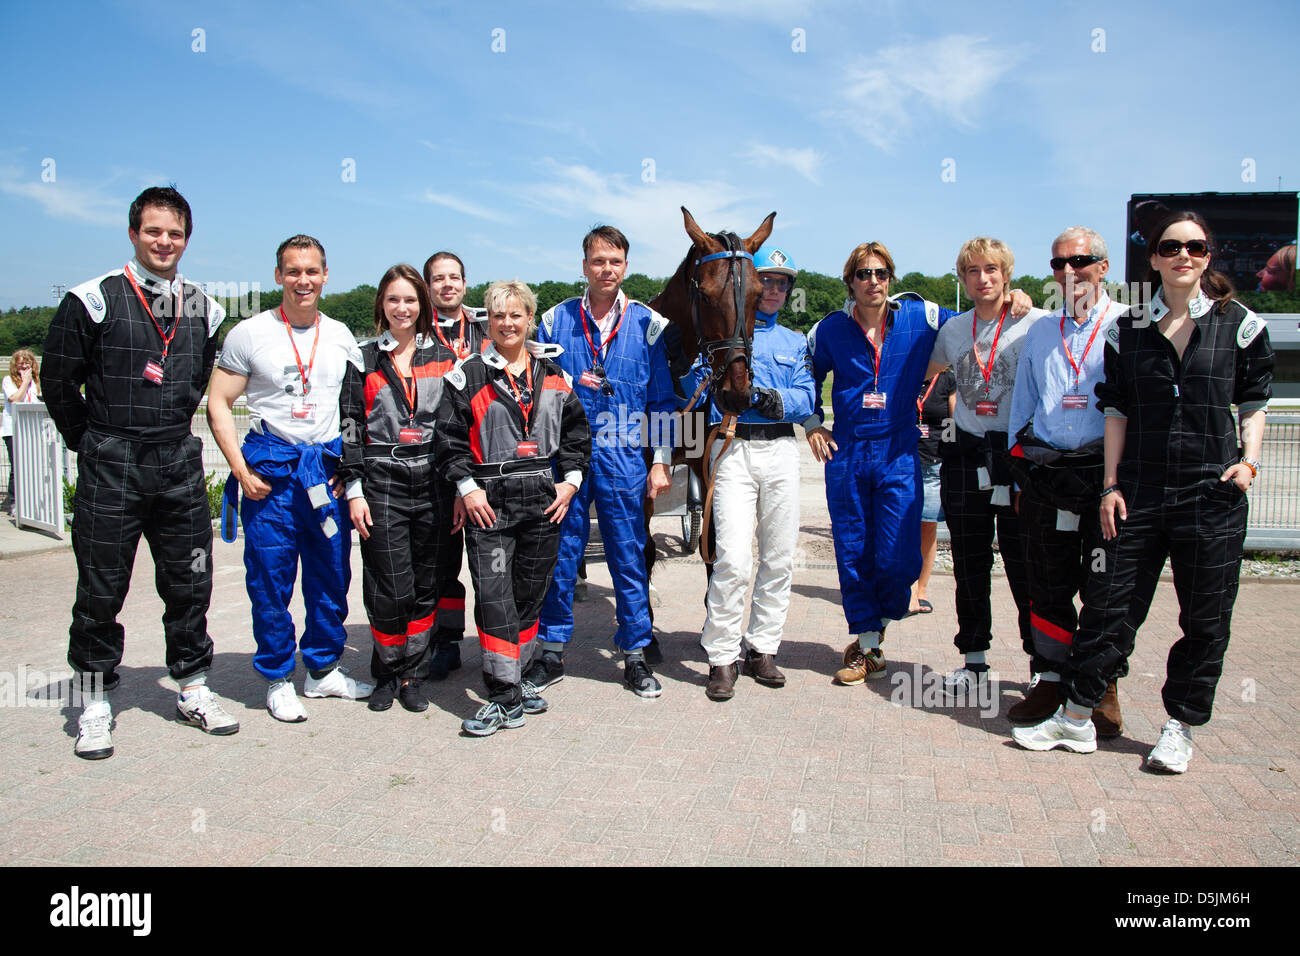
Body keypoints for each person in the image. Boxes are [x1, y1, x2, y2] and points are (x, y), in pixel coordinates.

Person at [1013, 211, 1272, 773]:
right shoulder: (1126, 330)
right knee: (1109, 607)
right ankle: (1079, 715)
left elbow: (1253, 402)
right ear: (1153, 259)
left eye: (1196, 247)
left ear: (1208, 256)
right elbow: (1116, 411)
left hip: (1212, 495)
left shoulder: (1242, 325)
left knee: (1204, 618)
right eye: (1171, 247)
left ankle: (1180, 726)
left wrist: (1248, 464)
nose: (1184, 256)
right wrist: (1110, 485)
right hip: (1137, 491)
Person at [43, 185, 239, 759]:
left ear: (187, 239)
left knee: (190, 582)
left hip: (177, 460)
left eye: (174, 233)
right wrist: (92, 442)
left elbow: (202, 378)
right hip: (112, 461)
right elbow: (58, 384)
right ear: (133, 233)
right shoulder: (93, 299)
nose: (164, 241)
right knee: (101, 585)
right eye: (153, 231)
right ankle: (96, 698)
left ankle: (194, 686)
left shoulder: (207, 306)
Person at [807, 242, 1030, 686]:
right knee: (853, 550)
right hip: (848, 452)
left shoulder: (921, 318)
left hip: (898, 451)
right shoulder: (829, 329)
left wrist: (1014, 294)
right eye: (865, 274)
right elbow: (802, 374)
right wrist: (814, 421)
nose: (875, 281)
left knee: (896, 555)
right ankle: (868, 645)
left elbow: (979, 315)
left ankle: (881, 619)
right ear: (851, 281)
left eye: (882, 273)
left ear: (891, 278)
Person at [208, 235, 373, 722]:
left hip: (324, 476)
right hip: (272, 476)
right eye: (293, 271)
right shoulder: (249, 333)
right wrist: (239, 469)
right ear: (278, 276)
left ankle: (322, 671)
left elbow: (354, 411)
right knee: (271, 580)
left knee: (331, 576)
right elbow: (219, 401)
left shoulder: (342, 335)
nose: (303, 280)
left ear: (326, 276)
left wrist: (349, 469)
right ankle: (278, 676)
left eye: (312, 271)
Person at [435, 279, 591, 735]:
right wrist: (467, 488)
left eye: (516, 314)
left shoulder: (553, 374)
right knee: (494, 595)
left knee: (529, 594)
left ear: (528, 318)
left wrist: (571, 483)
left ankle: (516, 679)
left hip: (544, 499)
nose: (507, 322)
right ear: (489, 319)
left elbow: (578, 435)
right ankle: (503, 697)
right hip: (490, 501)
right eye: (498, 314)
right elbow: (447, 441)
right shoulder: (466, 376)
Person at [533, 226, 676, 698]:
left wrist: (660, 461)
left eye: (615, 261)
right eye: (598, 261)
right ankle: (550, 652)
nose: (606, 269)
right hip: (566, 455)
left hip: (624, 455)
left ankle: (634, 654)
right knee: (561, 555)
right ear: (584, 266)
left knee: (628, 555)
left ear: (626, 267)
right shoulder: (554, 322)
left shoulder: (649, 324)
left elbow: (661, 401)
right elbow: (537, 393)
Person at [1004, 226, 1129, 730]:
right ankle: (1052, 679)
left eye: (1080, 261)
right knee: (1047, 585)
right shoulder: (1039, 330)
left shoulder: (1130, 324)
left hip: (1105, 477)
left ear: (1103, 267)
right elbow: (1023, 405)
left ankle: (1101, 686)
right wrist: (1018, 475)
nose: (1069, 271)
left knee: (1105, 588)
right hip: (1050, 476)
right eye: (1059, 264)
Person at [683, 245, 816, 701]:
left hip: (780, 447)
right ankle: (721, 655)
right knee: (734, 560)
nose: (775, 290)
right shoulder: (721, 334)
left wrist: (761, 396)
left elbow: (806, 398)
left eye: (782, 283)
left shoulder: (796, 341)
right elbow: (692, 395)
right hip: (732, 448)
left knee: (778, 557)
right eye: (768, 282)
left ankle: (763, 647)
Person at [338, 265, 463, 713]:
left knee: (427, 583)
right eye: (393, 300)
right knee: (390, 585)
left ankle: (414, 672)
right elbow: (349, 425)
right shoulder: (364, 357)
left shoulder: (447, 359)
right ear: (381, 306)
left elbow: (457, 429)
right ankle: (386, 671)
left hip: (434, 483)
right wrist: (353, 488)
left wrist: (461, 488)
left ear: (423, 305)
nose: (402, 308)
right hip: (382, 483)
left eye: (410, 300)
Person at [928, 238, 1048, 696]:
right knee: (969, 563)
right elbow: (927, 369)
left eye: (992, 269)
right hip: (966, 455)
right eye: (973, 271)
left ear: (1007, 275)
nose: (984, 278)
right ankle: (974, 660)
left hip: (1019, 459)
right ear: (963, 278)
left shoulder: (1034, 322)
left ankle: (1040, 660)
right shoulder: (953, 330)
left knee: (1026, 564)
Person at [418, 251, 487, 680]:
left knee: (489, 564)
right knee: (441, 564)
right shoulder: (415, 332)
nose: (447, 284)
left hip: (484, 465)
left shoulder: (486, 327)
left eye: (454, 277)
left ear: (464, 282)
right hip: (433, 465)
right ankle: (446, 643)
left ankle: (499, 643)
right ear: (427, 286)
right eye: (439, 278)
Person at [908, 367, 955, 616]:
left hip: (933, 464)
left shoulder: (947, 380)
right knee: (901, 526)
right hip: (903, 462)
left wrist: (949, 455)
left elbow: (952, 422)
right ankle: (903, 588)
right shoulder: (908, 373)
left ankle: (921, 590)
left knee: (928, 525)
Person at [3, 349, 42, 515]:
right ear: (15, 365)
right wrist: (25, 382)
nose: (25, 366)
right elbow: (15, 399)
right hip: (13, 429)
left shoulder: (37, 382)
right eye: (21, 364)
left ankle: (34, 502)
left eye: (27, 363)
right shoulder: (8, 380)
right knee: (17, 466)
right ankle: (15, 503)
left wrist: (34, 382)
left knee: (34, 466)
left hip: (33, 429)